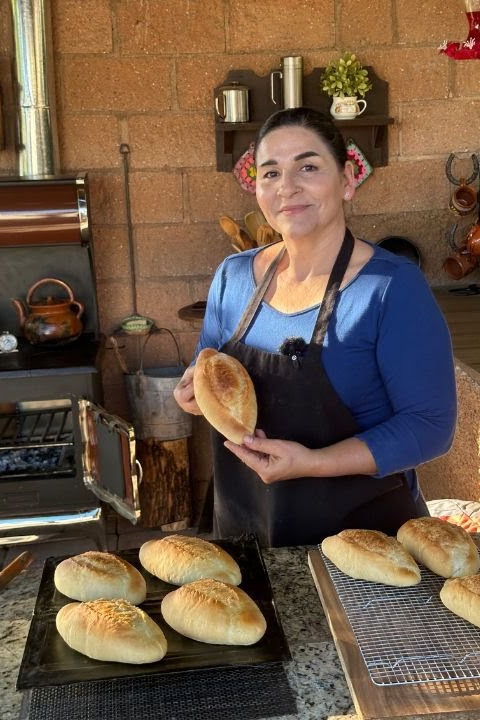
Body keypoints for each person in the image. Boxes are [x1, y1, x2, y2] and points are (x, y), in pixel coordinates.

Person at [173, 107, 456, 548]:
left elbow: (430, 427)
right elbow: (209, 373)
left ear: (347, 181)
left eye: (308, 167)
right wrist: (191, 396)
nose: (287, 187)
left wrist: (312, 463)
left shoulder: (390, 288)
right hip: (248, 532)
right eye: (270, 173)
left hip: (368, 546)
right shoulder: (232, 277)